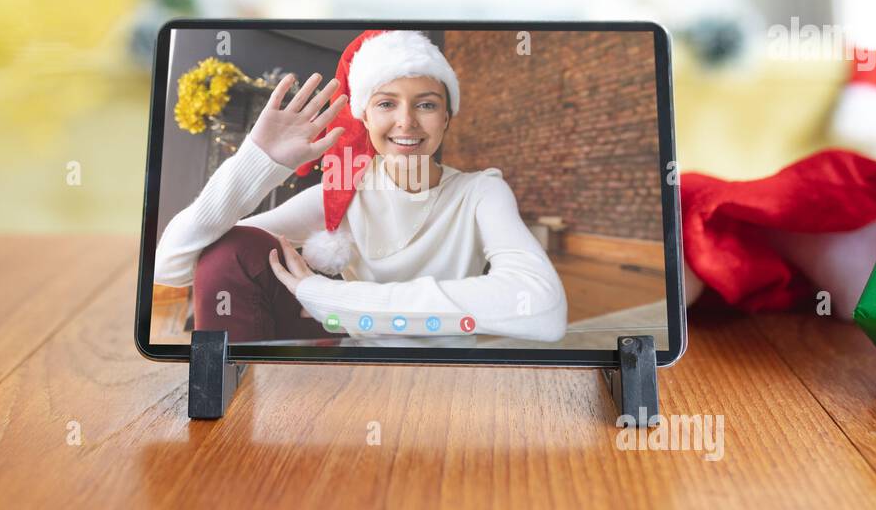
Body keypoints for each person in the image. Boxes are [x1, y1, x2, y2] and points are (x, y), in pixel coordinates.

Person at [153, 29, 568, 343]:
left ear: (447, 118)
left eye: (426, 104)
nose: (406, 121)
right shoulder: (341, 195)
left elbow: (542, 309)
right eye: (386, 104)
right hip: (354, 364)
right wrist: (258, 162)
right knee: (232, 250)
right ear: (364, 117)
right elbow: (173, 265)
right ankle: (238, 422)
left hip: (446, 378)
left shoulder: (481, 192)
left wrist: (331, 299)